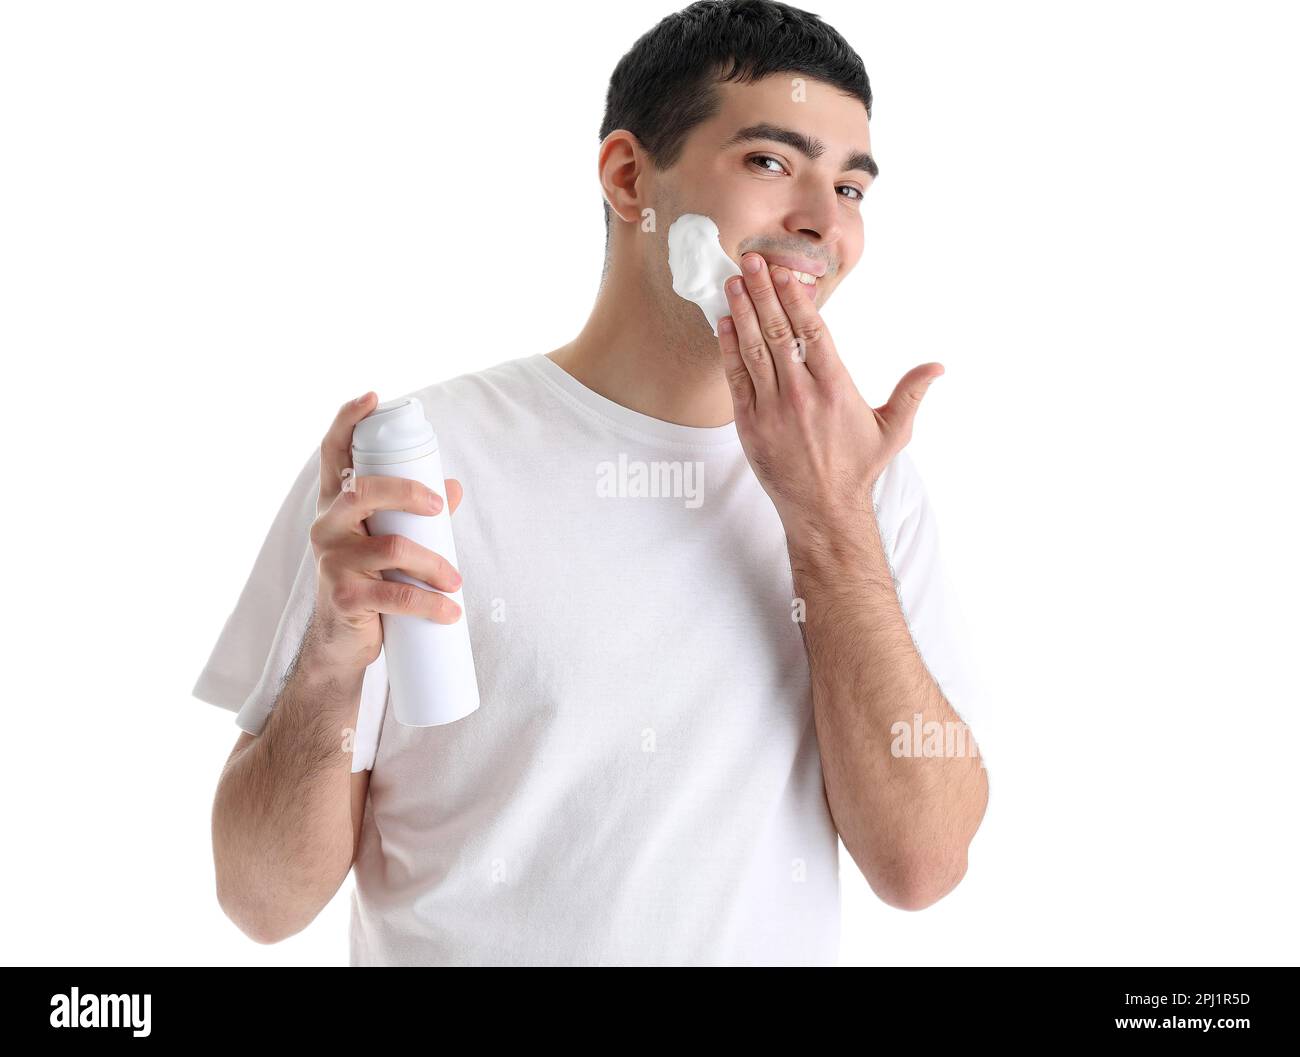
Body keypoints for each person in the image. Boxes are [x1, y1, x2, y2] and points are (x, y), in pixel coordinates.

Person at [193, 0, 991, 967]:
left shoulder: (869, 490)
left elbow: (923, 865)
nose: (823, 226)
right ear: (628, 178)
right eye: (772, 164)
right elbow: (261, 900)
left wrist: (828, 521)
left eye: (853, 188)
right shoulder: (415, 462)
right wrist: (327, 663)